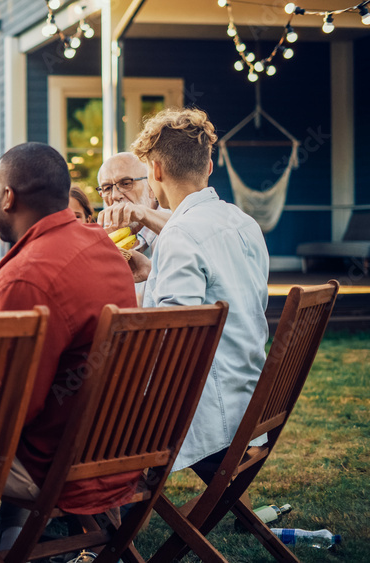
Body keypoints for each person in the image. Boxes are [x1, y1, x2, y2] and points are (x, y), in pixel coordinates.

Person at [0, 142, 139, 560]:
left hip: (54, 470)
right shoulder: (102, 247)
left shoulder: (28, 278)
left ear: (7, 196)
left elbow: (6, 411)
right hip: (115, 451)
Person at [128, 107, 269, 482]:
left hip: (207, 417)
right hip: (252, 405)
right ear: (208, 166)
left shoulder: (179, 233)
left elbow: (176, 341)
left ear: (155, 171)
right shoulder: (244, 223)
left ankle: (108, 526)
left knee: (89, 411)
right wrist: (152, 273)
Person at [96, 152, 171, 256]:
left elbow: (189, 229)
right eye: (107, 188)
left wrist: (143, 214)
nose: (114, 195)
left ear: (151, 186)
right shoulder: (105, 234)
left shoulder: (175, 220)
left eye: (126, 184)